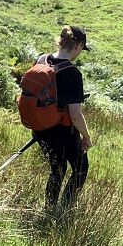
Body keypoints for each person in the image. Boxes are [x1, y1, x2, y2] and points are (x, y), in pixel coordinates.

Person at [35, 25, 92, 214]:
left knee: (56, 170)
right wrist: (87, 136)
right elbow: (75, 114)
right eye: (82, 50)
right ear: (78, 46)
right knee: (81, 168)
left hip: (40, 128)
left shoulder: (42, 60)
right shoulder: (72, 73)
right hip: (63, 131)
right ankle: (65, 209)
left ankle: (49, 209)